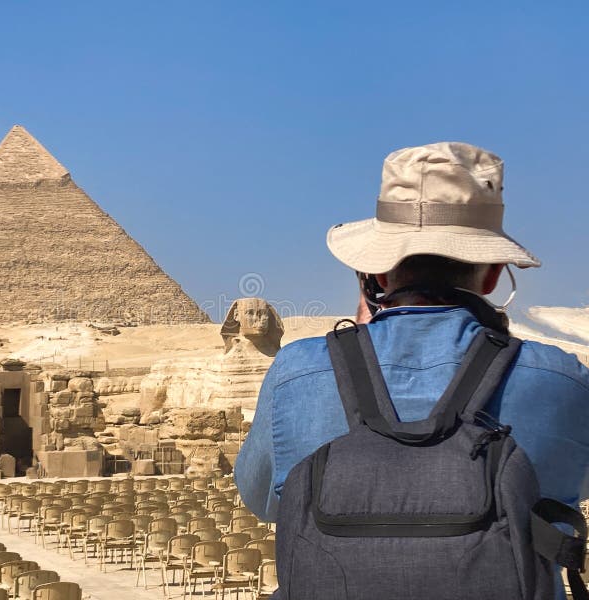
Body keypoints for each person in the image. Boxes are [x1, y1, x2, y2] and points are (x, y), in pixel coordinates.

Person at [234, 142, 588, 592]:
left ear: (377, 275)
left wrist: (353, 352)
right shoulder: (561, 381)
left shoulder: (297, 372)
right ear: (496, 274)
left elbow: (264, 500)